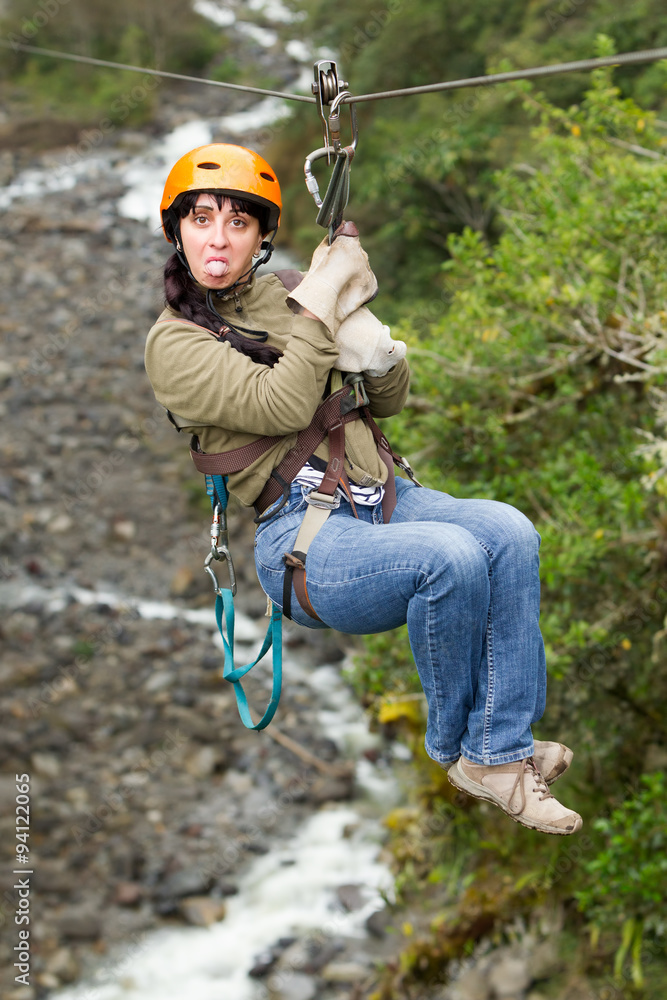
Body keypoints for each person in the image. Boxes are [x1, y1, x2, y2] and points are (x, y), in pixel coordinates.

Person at [144, 143, 582, 837]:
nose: (218, 238)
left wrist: (378, 353)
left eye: (237, 221)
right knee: (449, 558)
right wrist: (321, 310)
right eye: (201, 219)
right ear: (177, 230)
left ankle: (500, 744)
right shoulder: (174, 345)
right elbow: (283, 405)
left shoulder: (292, 288)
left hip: (378, 494)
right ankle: (470, 755)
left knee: (509, 533)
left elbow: (389, 400)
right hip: (302, 538)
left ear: (261, 236)